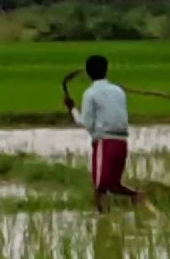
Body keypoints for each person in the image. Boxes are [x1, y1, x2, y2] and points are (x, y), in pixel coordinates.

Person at [63, 55, 152, 214]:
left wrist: (72, 109)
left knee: (100, 186)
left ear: (89, 73)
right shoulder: (118, 91)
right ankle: (138, 197)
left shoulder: (90, 94)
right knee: (113, 184)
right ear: (106, 70)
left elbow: (86, 123)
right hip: (121, 141)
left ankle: (103, 221)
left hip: (105, 142)